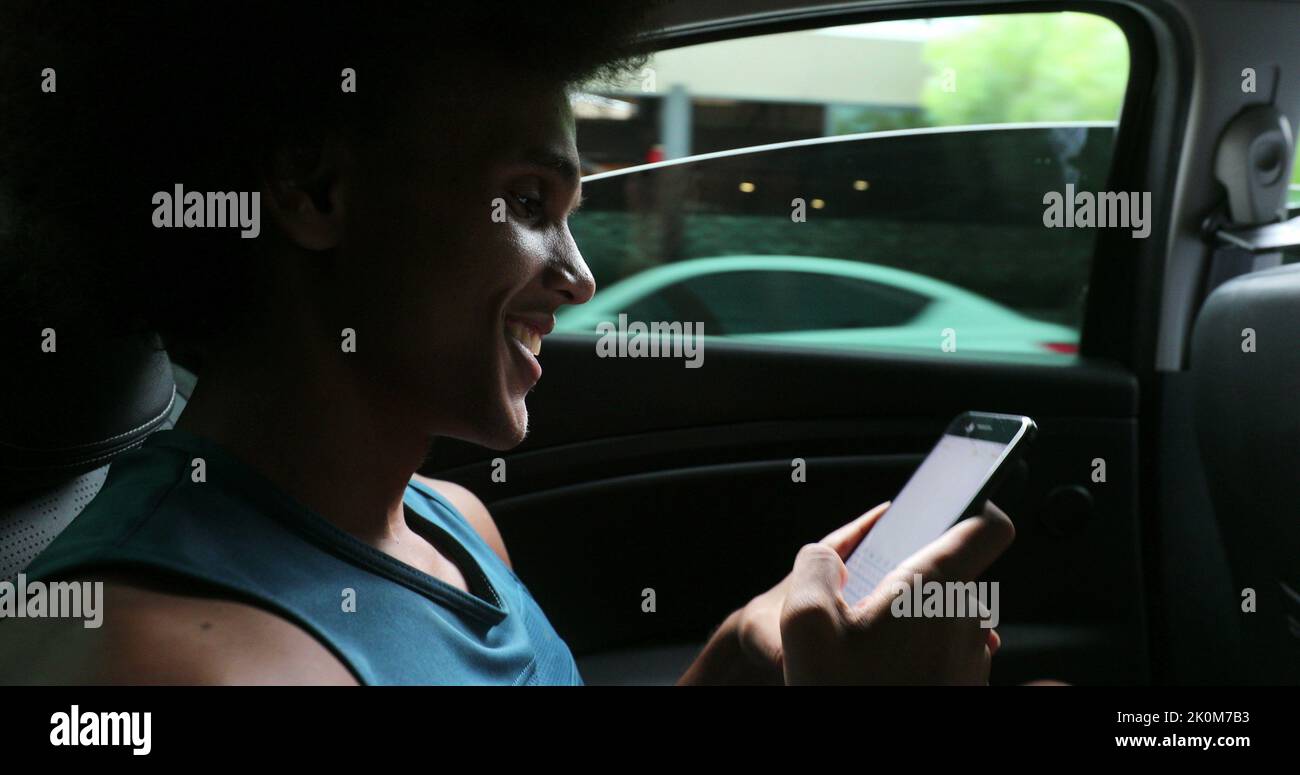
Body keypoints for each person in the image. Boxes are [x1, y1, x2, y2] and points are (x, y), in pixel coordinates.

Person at [0, 1, 1013, 685]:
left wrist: (739, 665)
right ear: (317, 194)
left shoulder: (457, 526)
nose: (578, 277)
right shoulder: (156, 659)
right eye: (528, 202)